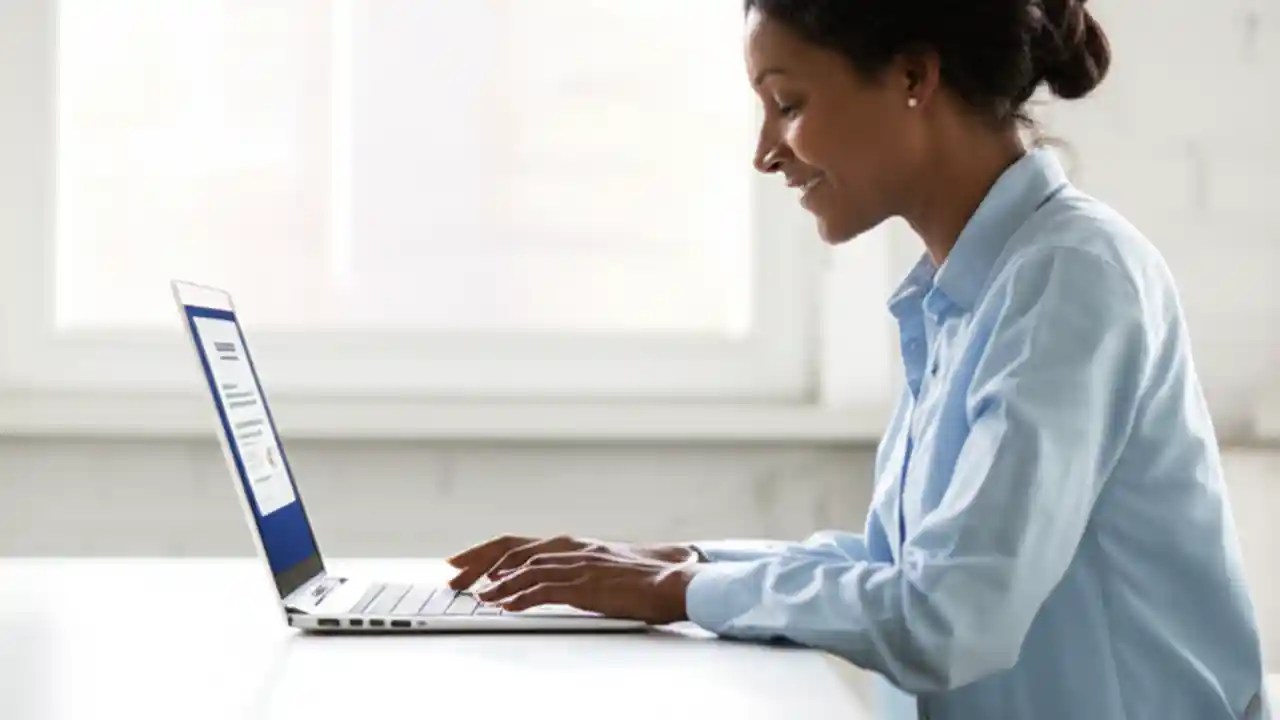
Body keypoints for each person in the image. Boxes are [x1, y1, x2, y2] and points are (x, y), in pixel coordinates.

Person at [447, 1, 1268, 717]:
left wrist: (681, 590)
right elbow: (903, 567)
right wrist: (685, 563)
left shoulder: (1069, 277)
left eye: (787, 103)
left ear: (914, 75)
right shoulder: (973, 287)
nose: (765, 151)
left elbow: (949, 617)